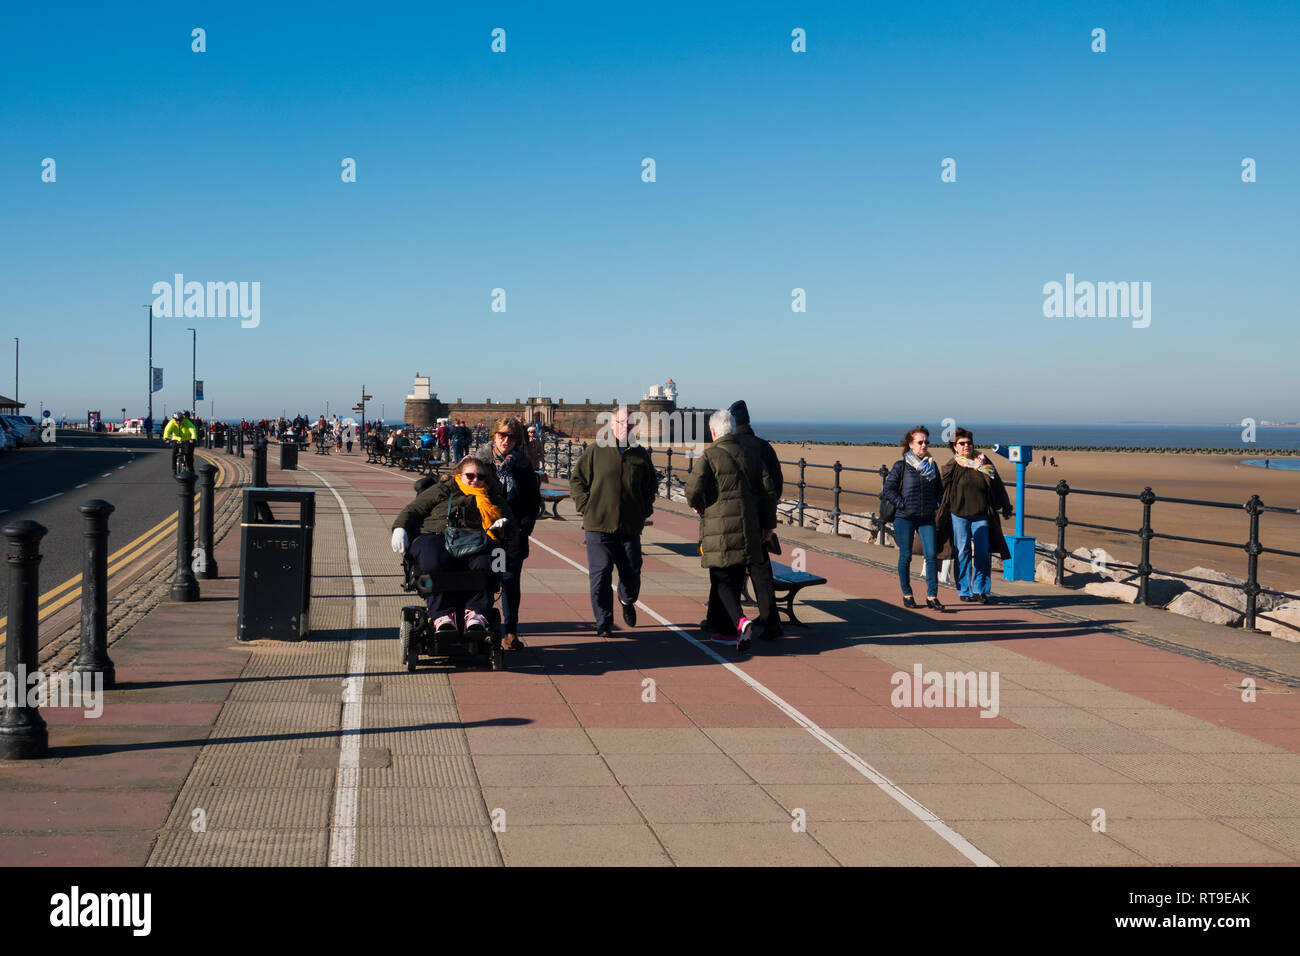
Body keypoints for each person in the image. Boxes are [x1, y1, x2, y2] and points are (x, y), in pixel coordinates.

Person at [686, 409, 777, 651]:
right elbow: (768, 492)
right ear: (733, 429)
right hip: (748, 527)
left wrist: (697, 505)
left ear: (714, 431)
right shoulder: (751, 453)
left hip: (719, 527)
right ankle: (725, 633)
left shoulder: (710, 455)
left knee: (720, 577)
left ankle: (740, 621)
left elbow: (692, 488)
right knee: (735, 577)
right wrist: (768, 525)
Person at [390, 456, 513, 632]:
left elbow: (510, 524)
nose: (475, 480)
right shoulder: (442, 489)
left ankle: (476, 612)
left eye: (480, 477)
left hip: (477, 538)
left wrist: (502, 528)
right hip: (436, 534)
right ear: (459, 475)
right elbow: (413, 509)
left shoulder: (492, 497)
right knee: (432, 559)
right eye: (470, 476)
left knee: (492, 558)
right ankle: (441, 614)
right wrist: (400, 528)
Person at [569, 407, 657, 637]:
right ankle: (603, 622)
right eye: (620, 422)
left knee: (632, 571)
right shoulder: (596, 451)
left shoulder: (639, 454)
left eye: (629, 424)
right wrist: (585, 506)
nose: (624, 427)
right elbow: (577, 480)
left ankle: (627, 600)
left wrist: (643, 510)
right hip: (598, 525)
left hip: (629, 526)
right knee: (600, 574)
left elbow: (650, 487)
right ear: (611, 424)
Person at [476, 417, 541, 650]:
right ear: (494, 436)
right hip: (488, 535)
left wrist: (524, 528)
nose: (506, 441)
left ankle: (511, 632)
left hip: (513, 536)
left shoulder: (523, 465)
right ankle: (483, 627)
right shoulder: (481, 463)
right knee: (488, 580)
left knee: (510, 582)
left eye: (511, 437)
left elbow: (533, 501)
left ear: (517, 440)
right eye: (502, 435)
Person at [939, 428, 1013, 604]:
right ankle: (964, 589)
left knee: (982, 551)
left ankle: (981, 590)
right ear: (954, 447)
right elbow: (940, 488)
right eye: (962, 443)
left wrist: (1005, 504)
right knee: (962, 551)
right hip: (959, 514)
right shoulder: (953, 465)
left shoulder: (983, 461)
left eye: (969, 443)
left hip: (981, 514)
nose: (966, 446)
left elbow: (997, 484)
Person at [883, 426, 945, 610]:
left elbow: (939, 491)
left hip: (926, 517)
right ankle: (907, 594)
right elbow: (888, 490)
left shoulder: (932, 466)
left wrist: (936, 505)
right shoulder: (900, 466)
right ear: (910, 444)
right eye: (920, 442)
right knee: (906, 555)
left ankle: (932, 596)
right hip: (904, 517)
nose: (924, 445)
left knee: (932, 555)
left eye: (926, 442)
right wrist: (902, 504)